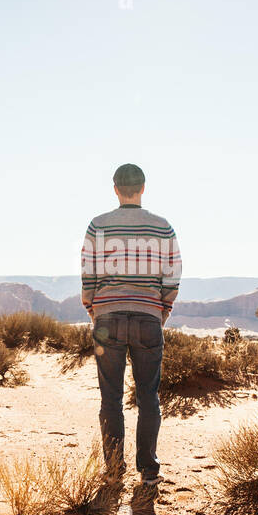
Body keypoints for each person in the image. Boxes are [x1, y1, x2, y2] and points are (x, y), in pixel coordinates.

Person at [81, 163, 181, 492]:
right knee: (148, 397)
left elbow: (88, 273)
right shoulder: (162, 227)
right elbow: (173, 273)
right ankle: (149, 471)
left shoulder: (98, 225)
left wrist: (94, 310)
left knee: (110, 398)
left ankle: (113, 469)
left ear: (115, 189)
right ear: (143, 187)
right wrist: (162, 310)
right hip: (148, 319)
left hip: (108, 319)